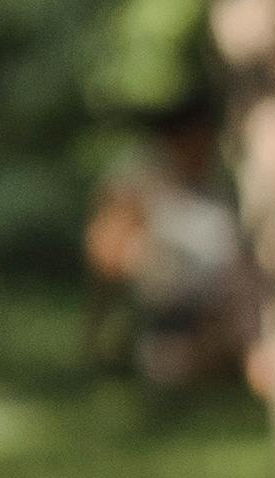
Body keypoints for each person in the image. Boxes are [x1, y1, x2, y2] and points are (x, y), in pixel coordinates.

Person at [82, 107, 257, 392]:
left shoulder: (224, 174)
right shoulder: (137, 178)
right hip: (174, 317)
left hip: (234, 303)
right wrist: (96, 339)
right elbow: (105, 256)